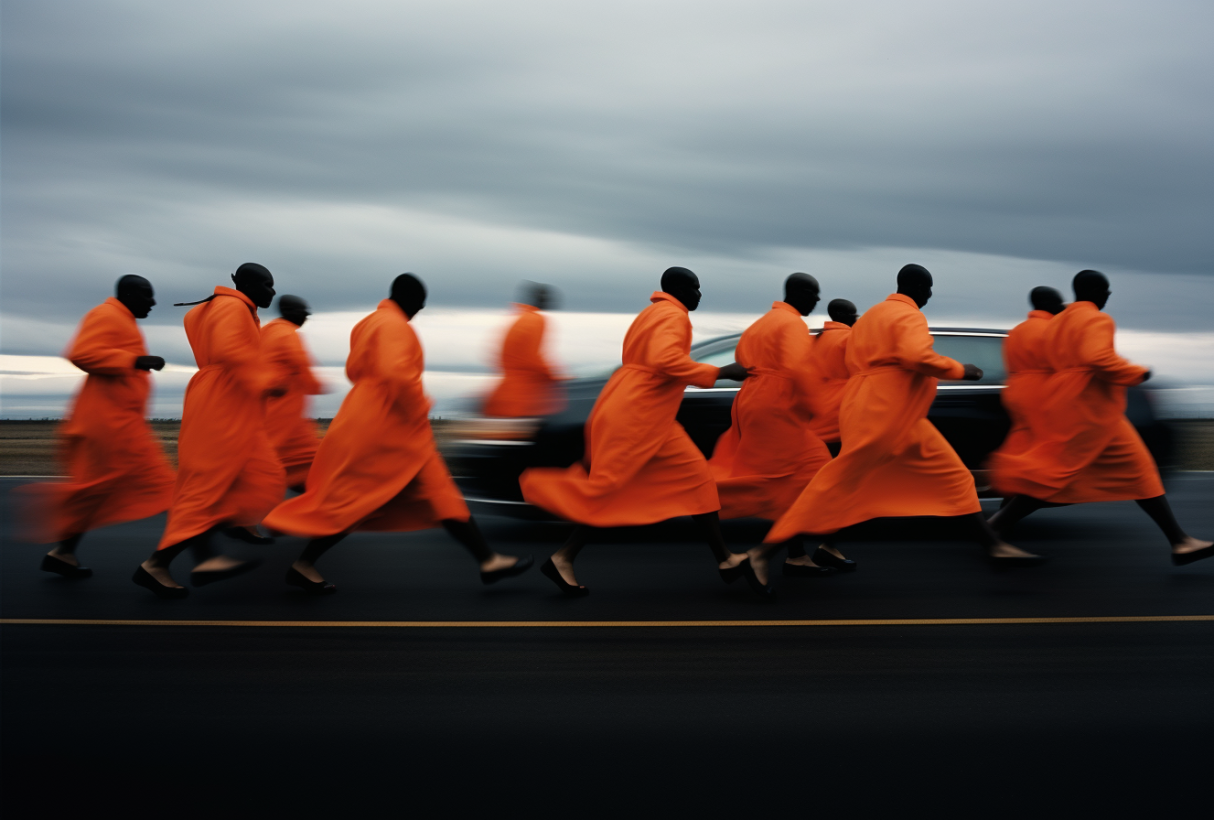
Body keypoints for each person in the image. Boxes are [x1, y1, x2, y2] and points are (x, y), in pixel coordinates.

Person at [751, 264, 1042, 597]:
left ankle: (993, 544)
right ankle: (762, 553)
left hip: (890, 413)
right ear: (916, 286)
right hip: (884, 413)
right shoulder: (908, 315)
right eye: (928, 288)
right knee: (834, 486)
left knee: (955, 477)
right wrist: (962, 370)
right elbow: (916, 356)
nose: (930, 295)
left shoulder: (873, 316)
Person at [262, 274, 533, 593]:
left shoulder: (367, 323)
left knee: (437, 492)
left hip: (370, 416)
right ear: (410, 299)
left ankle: (488, 559)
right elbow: (396, 375)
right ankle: (290, 537)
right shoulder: (395, 325)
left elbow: (354, 370)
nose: (420, 309)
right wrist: (420, 406)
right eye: (420, 302)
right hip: (387, 424)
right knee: (358, 499)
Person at [519, 267, 751, 596]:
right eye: (696, 288)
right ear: (680, 289)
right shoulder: (674, 315)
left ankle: (726, 559)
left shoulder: (653, 313)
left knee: (696, 476)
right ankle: (562, 554)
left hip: (644, 412)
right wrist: (721, 371)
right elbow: (664, 360)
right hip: (638, 415)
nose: (700, 294)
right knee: (611, 490)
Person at [988, 270, 1213, 564]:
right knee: (1060, 473)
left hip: (1074, 404)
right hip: (1091, 408)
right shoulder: (1096, 318)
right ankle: (992, 527)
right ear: (1095, 290)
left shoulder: (1058, 323)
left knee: (1136, 469)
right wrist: (1136, 373)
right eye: (1106, 290)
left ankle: (1180, 541)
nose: (1108, 296)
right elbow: (1097, 357)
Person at [132, 263, 287, 598]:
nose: (272, 292)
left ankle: (213, 546)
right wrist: (266, 380)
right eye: (267, 285)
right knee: (207, 486)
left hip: (221, 397)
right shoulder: (233, 307)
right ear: (245, 284)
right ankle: (157, 564)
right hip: (222, 402)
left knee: (256, 474)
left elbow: (220, 343)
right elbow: (230, 349)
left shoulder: (216, 308)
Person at [20, 276, 175, 578]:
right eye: (147, 295)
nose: (153, 302)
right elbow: (82, 353)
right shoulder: (106, 314)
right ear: (128, 294)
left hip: (117, 423)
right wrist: (135, 359)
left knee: (97, 491)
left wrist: (134, 362)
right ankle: (184, 561)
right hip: (111, 426)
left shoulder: (122, 319)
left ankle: (63, 553)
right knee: (169, 490)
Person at [707, 273, 847, 577]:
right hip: (776, 407)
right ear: (798, 293)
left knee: (790, 480)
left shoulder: (761, 324)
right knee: (814, 473)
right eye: (814, 293)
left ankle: (796, 555)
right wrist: (816, 406)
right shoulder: (791, 324)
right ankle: (701, 496)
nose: (817, 300)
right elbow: (799, 367)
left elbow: (744, 363)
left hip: (751, 402)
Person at [985, 287, 1064, 483]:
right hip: (1041, 392)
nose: (1062, 307)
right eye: (1058, 303)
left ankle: (1013, 486)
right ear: (1048, 304)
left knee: (1024, 440)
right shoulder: (1051, 330)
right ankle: (1017, 479)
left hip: (1015, 391)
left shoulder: (1016, 331)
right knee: (1045, 446)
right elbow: (1060, 363)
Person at [261, 295, 325, 491]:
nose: (305, 318)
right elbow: (301, 365)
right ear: (290, 313)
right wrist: (317, 386)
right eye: (303, 314)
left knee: (296, 467)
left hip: (268, 410)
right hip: (287, 415)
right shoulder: (287, 334)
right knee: (313, 465)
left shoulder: (264, 333)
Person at [483, 282, 565, 418]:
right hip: (523, 395)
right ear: (542, 299)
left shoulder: (521, 318)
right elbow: (532, 357)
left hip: (504, 391)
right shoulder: (536, 320)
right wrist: (554, 375)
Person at [807, 298, 859, 456]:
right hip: (840, 419)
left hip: (813, 418)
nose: (856, 319)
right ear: (841, 314)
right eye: (854, 315)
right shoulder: (851, 340)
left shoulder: (813, 339)